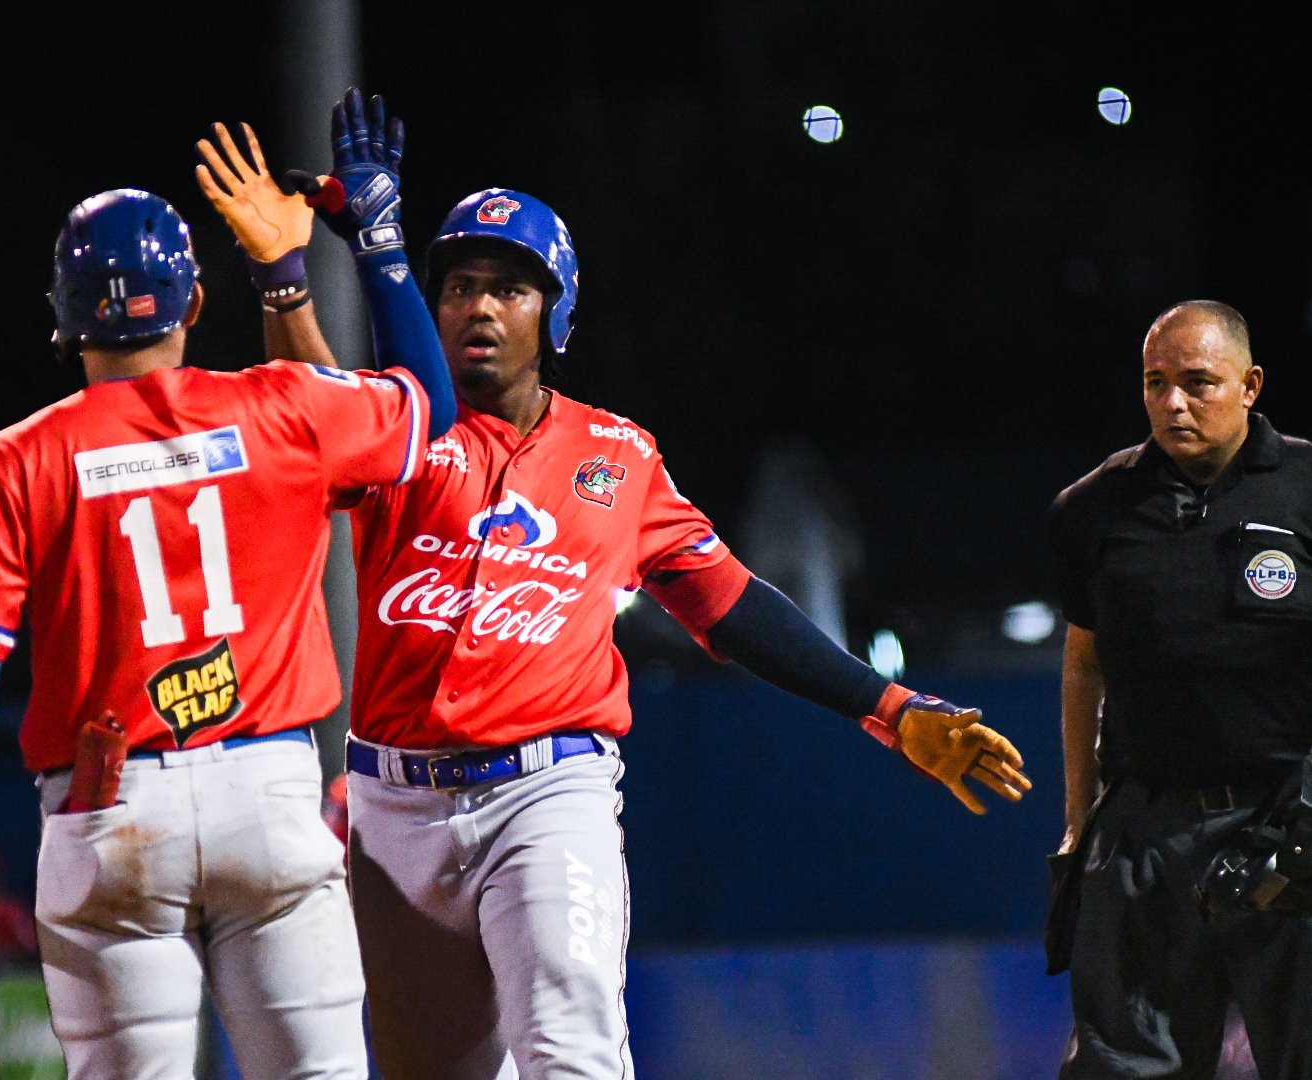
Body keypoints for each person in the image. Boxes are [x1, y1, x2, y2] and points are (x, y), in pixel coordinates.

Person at [225, 86, 1032, 1080]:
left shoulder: (619, 455)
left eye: (510, 288)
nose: (479, 305)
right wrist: (289, 280)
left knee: (570, 1048)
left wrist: (888, 705)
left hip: (546, 791)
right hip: (392, 808)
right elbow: (307, 405)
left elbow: (730, 607)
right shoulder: (401, 430)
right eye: (460, 285)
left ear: (556, 316)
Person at [0, 114, 455, 1080]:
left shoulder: (15, 460)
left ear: (64, 323)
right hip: (269, 796)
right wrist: (368, 243)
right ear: (191, 303)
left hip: (111, 812)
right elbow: (423, 403)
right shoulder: (281, 410)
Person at [1049, 299, 1312, 1077]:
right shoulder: (1091, 508)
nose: (1173, 402)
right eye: (1155, 382)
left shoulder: (1307, 489)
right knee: (1121, 1066)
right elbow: (1083, 662)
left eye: (1198, 382)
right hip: (1149, 831)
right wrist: (1078, 817)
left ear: (1250, 384)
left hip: (1290, 813)